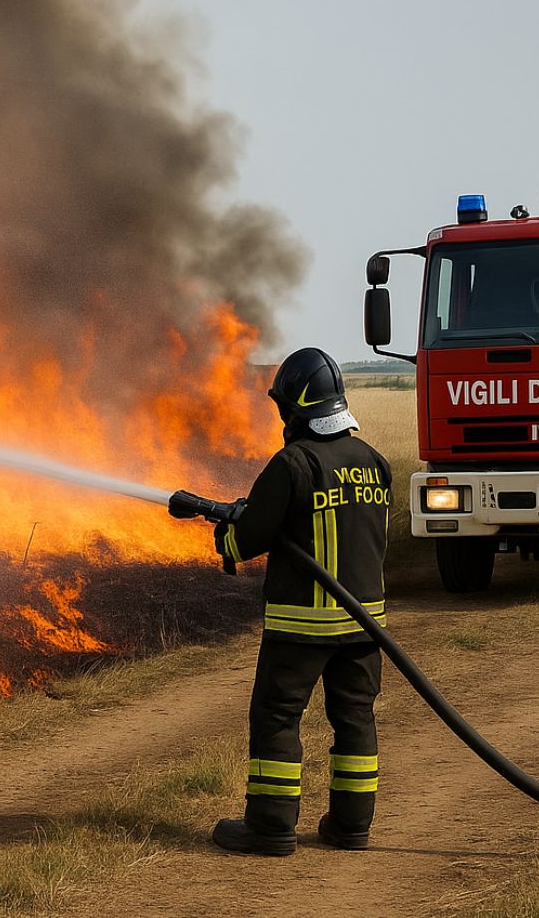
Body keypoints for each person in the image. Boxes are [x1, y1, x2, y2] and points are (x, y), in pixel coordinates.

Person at [210, 348, 392, 856]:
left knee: (277, 717)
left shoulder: (294, 463)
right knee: (355, 719)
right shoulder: (374, 462)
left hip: (302, 627)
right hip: (365, 627)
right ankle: (351, 826)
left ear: (294, 408)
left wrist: (228, 530)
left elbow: (243, 542)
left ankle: (270, 827)